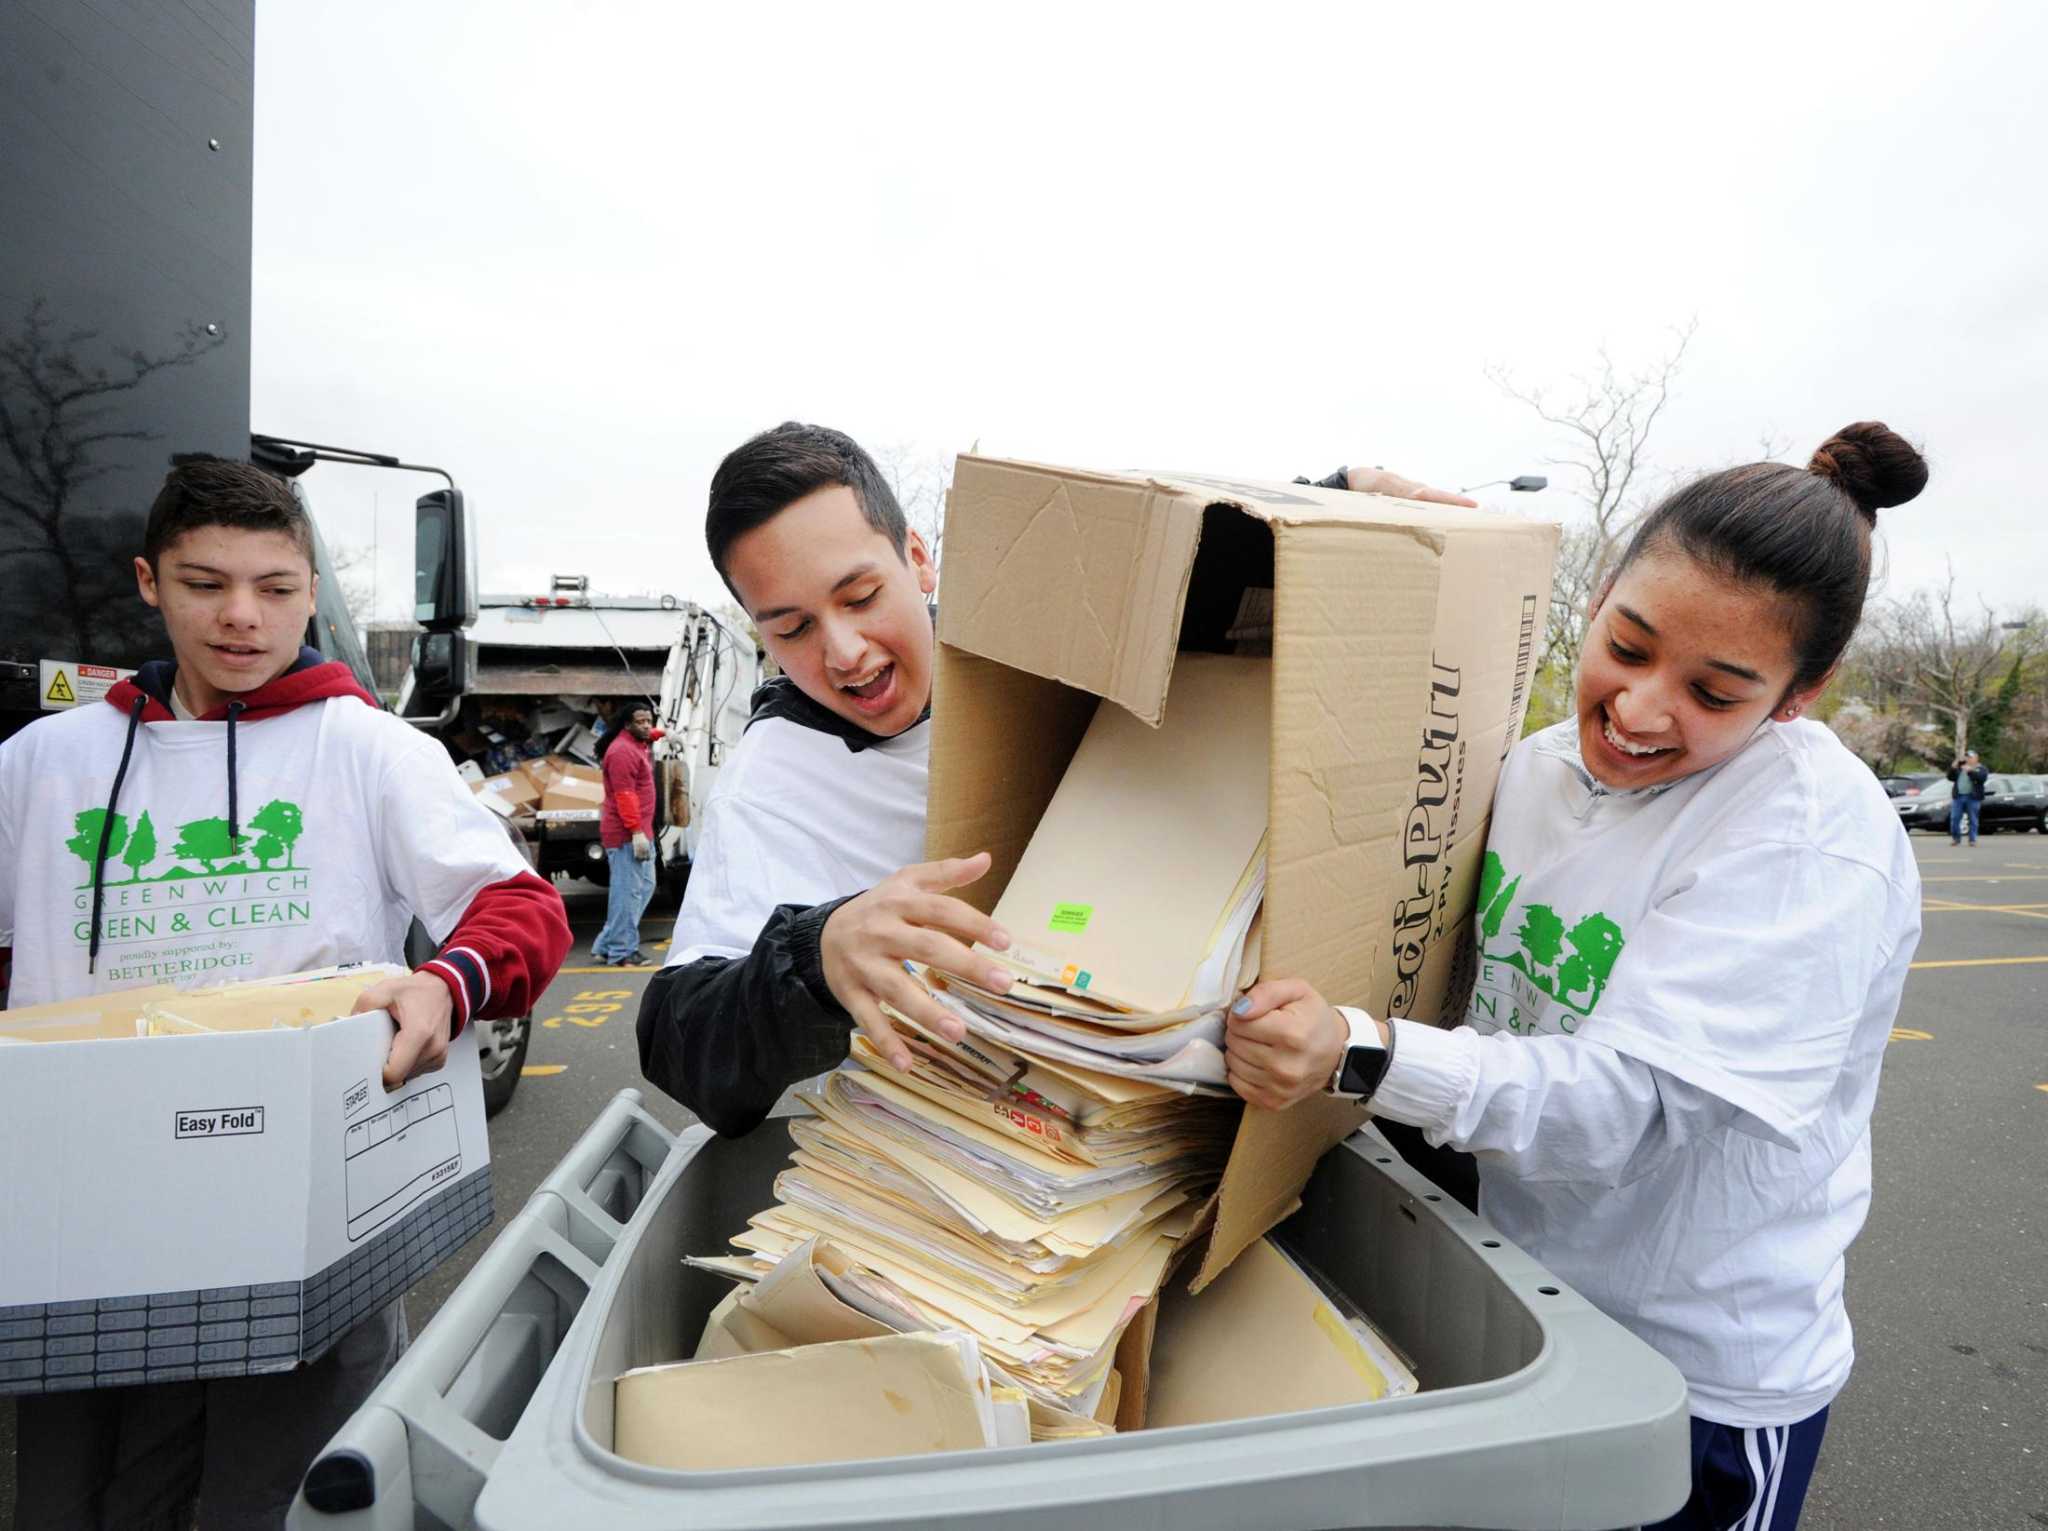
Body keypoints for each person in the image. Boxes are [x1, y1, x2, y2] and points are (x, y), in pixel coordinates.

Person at [1223, 422, 1930, 1531]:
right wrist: (1342, 503)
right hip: (1525, 1307)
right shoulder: (1538, 768)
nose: (1642, 710)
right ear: (1597, 594)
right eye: (1628, 644)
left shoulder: (1806, 843)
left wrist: (1355, 1051)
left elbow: (1627, 1110)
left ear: (1799, 694)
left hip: (1690, 1373)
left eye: (1715, 691)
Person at [0, 456, 572, 1530]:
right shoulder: (43, 762)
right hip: (84, 1204)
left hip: (299, 1205)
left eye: (274, 585)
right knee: (72, 1497)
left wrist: (448, 985)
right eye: (204, 582)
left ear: (311, 590)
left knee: (283, 1498)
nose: (241, 616)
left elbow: (522, 910)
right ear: (147, 583)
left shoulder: (364, 748)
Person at [635, 423, 1474, 1135]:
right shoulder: (775, 781)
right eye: (792, 628)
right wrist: (814, 957)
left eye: (860, 595)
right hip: (956, 1156)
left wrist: (1338, 497)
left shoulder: (1018, 648)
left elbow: (1173, 581)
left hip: (1169, 1105)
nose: (844, 650)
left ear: (919, 559)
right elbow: (682, 1044)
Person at [593, 702, 659, 965]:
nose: (646, 725)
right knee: (628, 893)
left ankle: (607, 944)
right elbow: (625, 795)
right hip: (626, 836)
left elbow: (650, 734)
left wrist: (664, 734)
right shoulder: (622, 752)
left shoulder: (635, 743)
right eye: (640, 721)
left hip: (641, 832)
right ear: (627, 725)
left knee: (643, 887)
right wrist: (635, 832)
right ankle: (621, 952)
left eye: (648, 720)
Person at [1947, 749, 1987, 845]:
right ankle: (1956, 838)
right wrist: (1953, 768)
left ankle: (1972, 839)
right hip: (1959, 796)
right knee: (1955, 818)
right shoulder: (1960, 768)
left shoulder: (1981, 768)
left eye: (1970, 757)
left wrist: (1970, 771)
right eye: (1967, 757)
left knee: (1973, 819)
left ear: (1976, 758)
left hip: (1973, 797)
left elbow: (1981, 778)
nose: (1968, 759)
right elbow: (1950, 777)